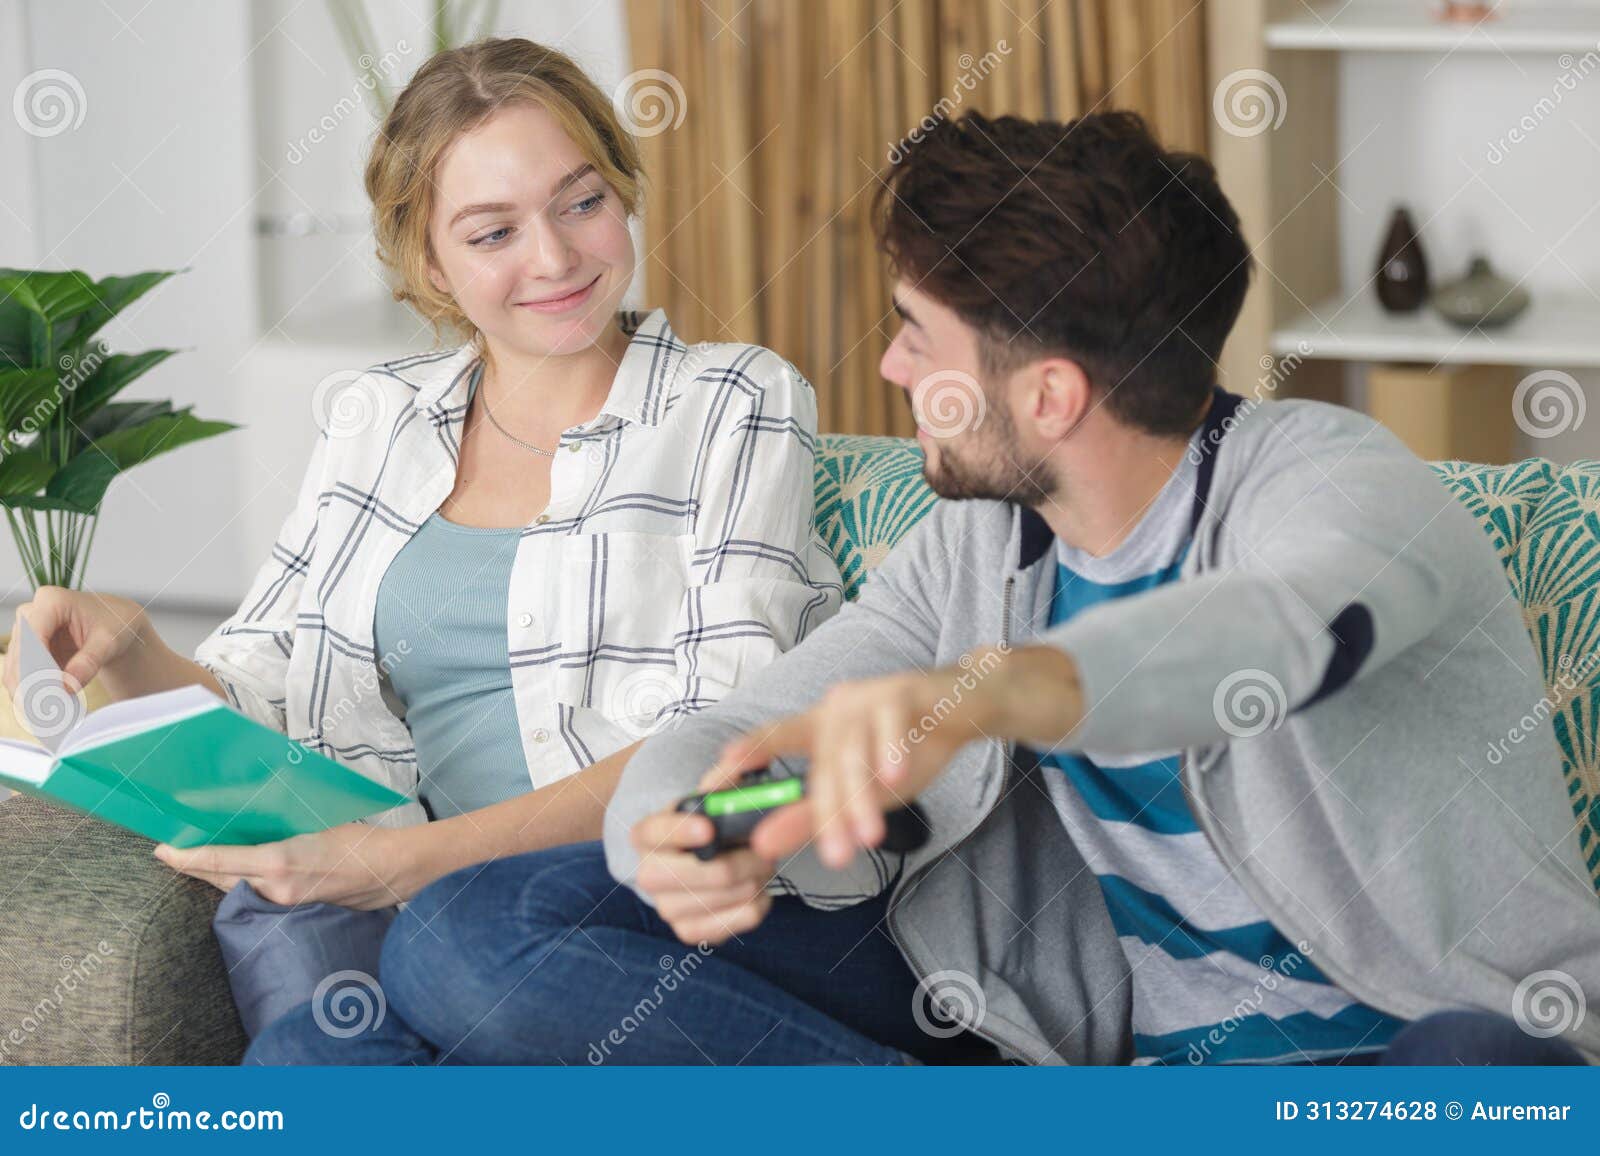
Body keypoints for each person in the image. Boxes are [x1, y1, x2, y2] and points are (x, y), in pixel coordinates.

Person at [246, 109, 1597, 1066]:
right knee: (466, 938)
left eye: (917, 338)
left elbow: (1267, 635)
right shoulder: (984, 549)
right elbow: (764, 734)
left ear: (1051, 394)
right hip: (1128, 1070)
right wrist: (704, 826)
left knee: (1482, 1070)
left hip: (1432, 1052)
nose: (889, 373)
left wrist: (1001, 694)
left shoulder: (1336, 486)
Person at [2, 38, 841, 1040]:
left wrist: (406, 865)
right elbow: (279, 690)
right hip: (448, 927)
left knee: (449, 949)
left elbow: (718, 744)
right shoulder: (377, 416)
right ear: (427, 261)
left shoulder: (735, 399)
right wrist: (136, 652)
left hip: (690, 903)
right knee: (315, 1052)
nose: (556, 257)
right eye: (493, 233)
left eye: (581, 202)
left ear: (623, 191)